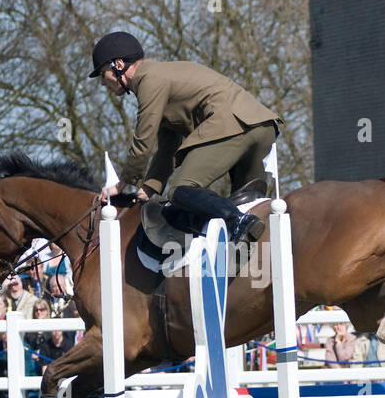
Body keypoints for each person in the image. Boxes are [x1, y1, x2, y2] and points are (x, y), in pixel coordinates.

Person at [90, 31, 277, 243]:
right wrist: (148, 188)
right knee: (246, 203)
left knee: (180, 188)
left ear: (119, 64)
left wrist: (121, 184)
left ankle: (238, 221)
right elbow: (168, 145)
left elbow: (143, 140)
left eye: (102, 73)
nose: (103, 83)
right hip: (262, 126)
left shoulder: (148, 80)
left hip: (233, 125)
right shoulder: (161, 78)